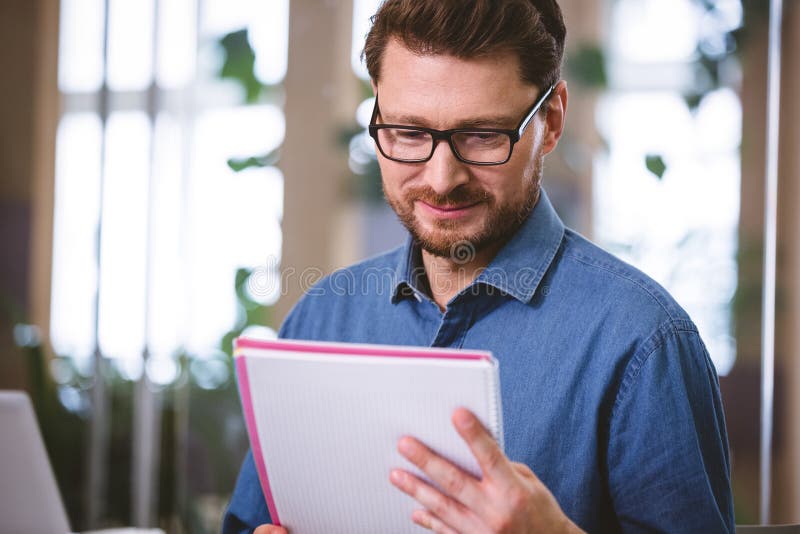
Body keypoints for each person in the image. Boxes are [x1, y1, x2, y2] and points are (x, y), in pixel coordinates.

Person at [223, 0, 735, 532]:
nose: (442, 179)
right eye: (410, 132)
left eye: (484, 135)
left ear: (552, 121)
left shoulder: (643, 343)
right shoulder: (319, 322)